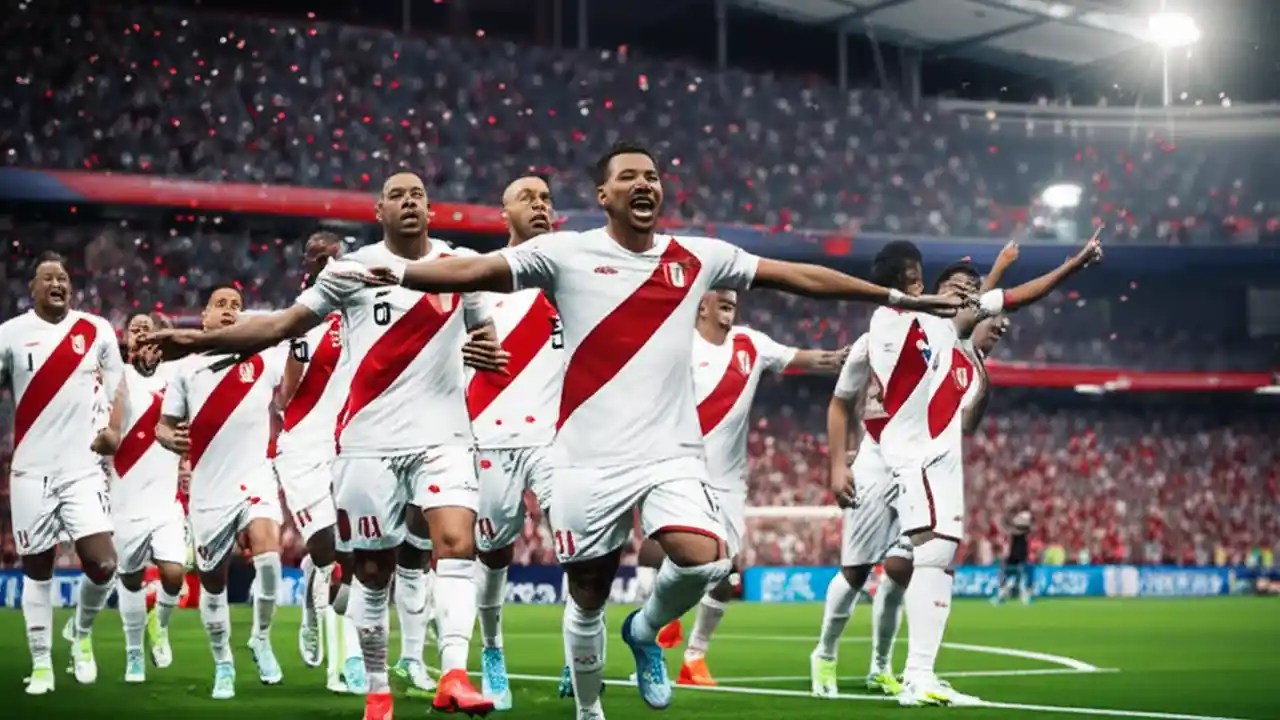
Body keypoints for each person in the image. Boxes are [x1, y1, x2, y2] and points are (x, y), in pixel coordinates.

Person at [330, 141, 964, 720]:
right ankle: (588, 709)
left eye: (653, 176)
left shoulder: (697, 257)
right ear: (602, 196)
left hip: (669, 456)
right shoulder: (566, 252)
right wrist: (403, 273)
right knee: (586, 593)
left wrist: (898, 300)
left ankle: (646, 629)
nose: (644, 184)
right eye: (627, 176)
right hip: (582, 459)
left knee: (706, 558)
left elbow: (795, 277)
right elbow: (476, 273)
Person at [142, 172, 505, 719]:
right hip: (368, 443)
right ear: (379, 212)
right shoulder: (350, 272)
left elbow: (484, 335)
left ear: (431, 211)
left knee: (456, 544)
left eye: (418, 195)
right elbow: (279, 326)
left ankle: (454, 672)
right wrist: (194, 339)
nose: (409, 202)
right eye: (397, 195)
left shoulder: (461, 267)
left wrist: (486, 350)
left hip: (444, 436)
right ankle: (378, 690)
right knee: (371, 572)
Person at [858, 238, 1100, 707]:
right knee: (933, 553)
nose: (924, 280)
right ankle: (916, 677)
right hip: (914, 455)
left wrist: (1070, 265)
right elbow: (949, 309)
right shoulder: (891, 320)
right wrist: (987, 282)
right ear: (907, 279)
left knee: (941, 557)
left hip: (939, 460)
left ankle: (920, 674)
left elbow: (1014, 298)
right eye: (917, 273)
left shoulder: (942, 327)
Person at [660, 288, 848, 687]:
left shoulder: (751, 343)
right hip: (679, 469)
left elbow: (806, 358)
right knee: (685, 558)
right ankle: (660, 624)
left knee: (727, 574)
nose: (731, 304)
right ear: (703, 304)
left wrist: (843, 358)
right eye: (721, 299)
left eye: (733, 300)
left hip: (729, 482)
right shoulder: (676, 343)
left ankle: (694, 658)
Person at [0, 251, 123, 694]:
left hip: (82, 469)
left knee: (103, 564)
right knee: (38, 570)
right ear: (31, 288)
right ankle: (41, 666)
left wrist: (114, 430)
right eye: (48, 278)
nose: (58, 284)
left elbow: (118, 387)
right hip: (32, 471)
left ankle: (81, 634)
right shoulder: (10, 335)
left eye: (64, 278)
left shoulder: (96, 330)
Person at [156, 286, 287, 699]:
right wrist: (168, 440)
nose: (230, 311)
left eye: (236, 305)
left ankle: (261, 637)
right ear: (204, 316)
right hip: (210, 487)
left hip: (255, 477)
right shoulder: (185, 369)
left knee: (269, 559)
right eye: (221, 305)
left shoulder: (263, 358)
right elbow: (165, 424)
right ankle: (223, 665)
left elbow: (298, 349)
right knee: (213, 584)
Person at [469, 175, 560, 711]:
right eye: (527, 198)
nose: (540, 205)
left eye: (547, 198)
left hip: (554, 438)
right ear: (504, 214)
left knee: (579, 548)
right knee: (494, 554)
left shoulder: (572, 279)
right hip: (491, 437)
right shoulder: (480, 280)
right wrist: (462, 352)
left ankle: (580, 654)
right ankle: (492, 650)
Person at [273, 231, 369, 694]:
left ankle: (328, 631)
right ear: (306, 265)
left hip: (349, 446)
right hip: (303, 450)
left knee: (348, 556)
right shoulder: (298, 319)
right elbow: (285, 393)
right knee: (332, 550)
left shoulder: (362, 311)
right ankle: (342, 657)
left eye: (335, 255)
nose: (328, 262)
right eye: (318, 256)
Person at [91, 312, 186, 683]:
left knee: (174, 575)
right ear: (127, 340)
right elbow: (111, 430)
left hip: (165, 496)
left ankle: (158, 625)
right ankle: (134, 656)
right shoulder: (118, 380)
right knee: (129, 580)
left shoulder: (177, 378)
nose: (142, 334)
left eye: (149, 329)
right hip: (127, 495)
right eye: (135, 329)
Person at [992, 509, 1034, 605]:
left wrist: (1002, 520)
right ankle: (1019, 597)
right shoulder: (1019, 533)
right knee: (1015, 581)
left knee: (1013, 580)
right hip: (1015, 559)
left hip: (1016, 559)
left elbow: (1008, 529)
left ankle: (1003, 597)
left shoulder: (1020, 533)